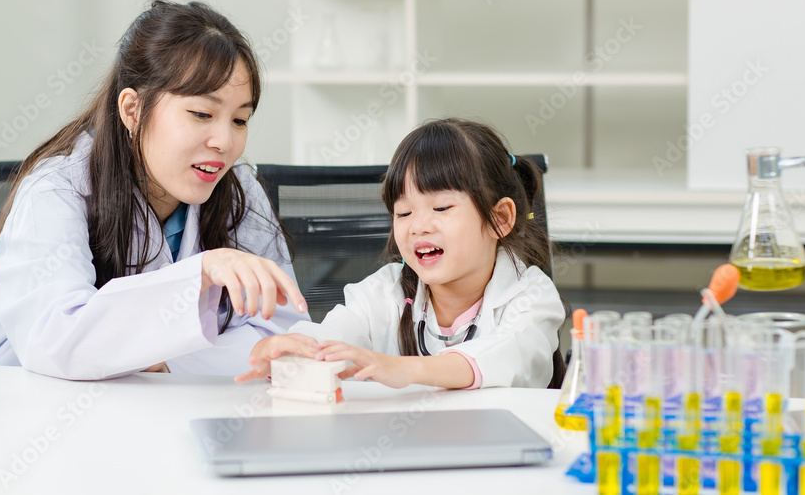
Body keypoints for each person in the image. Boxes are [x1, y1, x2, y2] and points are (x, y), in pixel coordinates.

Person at [0, 0, 309, 380]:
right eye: (202, 114)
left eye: (239, 120)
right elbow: (60, 342)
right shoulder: (55, 192)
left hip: (167, 416)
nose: (224, 141)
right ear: (132, 110)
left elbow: (285, 334)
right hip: (35, 418)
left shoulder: (238, 189)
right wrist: (203, 272)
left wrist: (168, 360)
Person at [236, 118, 565, 389]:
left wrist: (404, 369)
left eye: (441, 207)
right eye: (403, 213)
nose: (418, 226)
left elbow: (504, 356)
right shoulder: (386, 291)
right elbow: (332, 334)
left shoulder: (531, 295)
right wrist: (290, 350)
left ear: (499, 219)